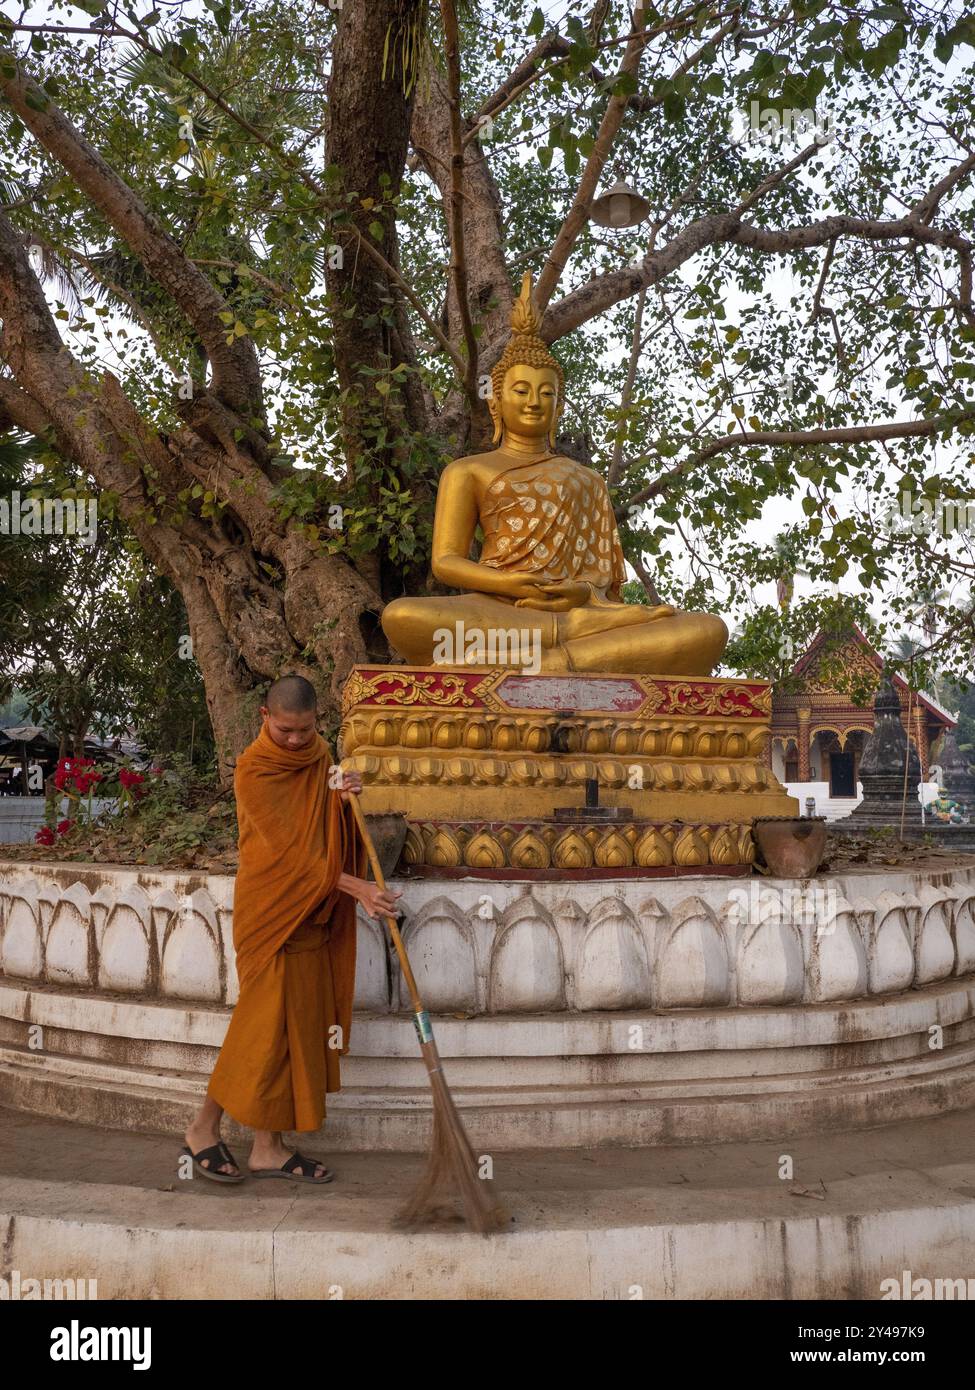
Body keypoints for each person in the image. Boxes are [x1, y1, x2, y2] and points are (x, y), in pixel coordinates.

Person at [180, 674, 401, 1184]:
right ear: (264, 717)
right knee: (259, 1028)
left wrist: (346, 801)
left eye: (305, 730)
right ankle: (201, 1127)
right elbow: (290, 856)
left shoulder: (322, 757)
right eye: (286, 731)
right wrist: (360, 889)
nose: (297, 741)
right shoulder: (254, 771)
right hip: (272, 911)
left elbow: (326, 827)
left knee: (290, 1029)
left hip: (312, 913)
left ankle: (268, 1148)